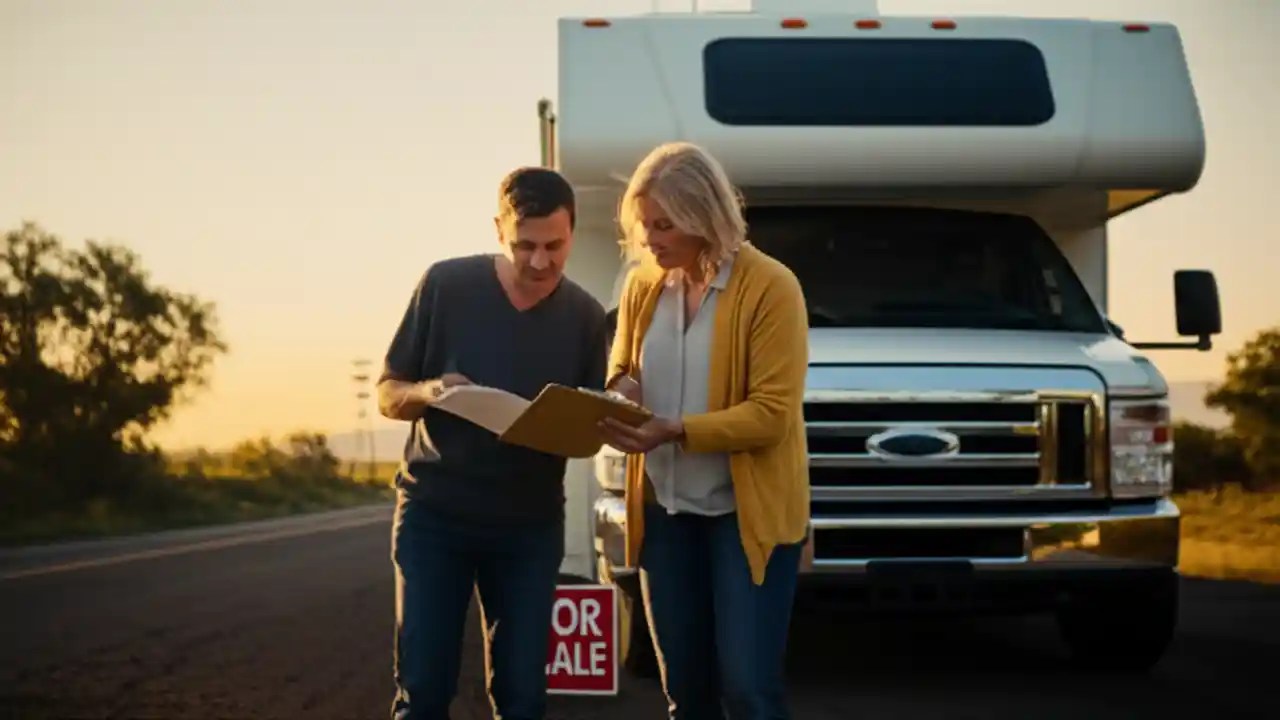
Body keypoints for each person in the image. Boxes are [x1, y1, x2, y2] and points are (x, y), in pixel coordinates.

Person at [377, 166, 608, 720]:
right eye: (523, 245)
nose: (540, 261)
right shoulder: (445, 285)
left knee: (524, 699)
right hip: (436, 519)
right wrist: (430, 392)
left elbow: (592, 431)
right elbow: (388, 394)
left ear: (573, 231)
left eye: (555, 245)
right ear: (497, 230)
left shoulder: (584, 316)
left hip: (529, 528)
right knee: (425, 692)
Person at [598, 141, 811, 719]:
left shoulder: (772, 287)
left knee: (747, 691)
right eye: (644, 226)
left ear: (705, 217)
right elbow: (622, 368)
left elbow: (772, 414)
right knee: (685, 693)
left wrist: (675, 430)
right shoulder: (643, 286)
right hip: (664, 513)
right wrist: (624, 394)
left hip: (746, 518)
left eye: (664, 225)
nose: (649, 240)